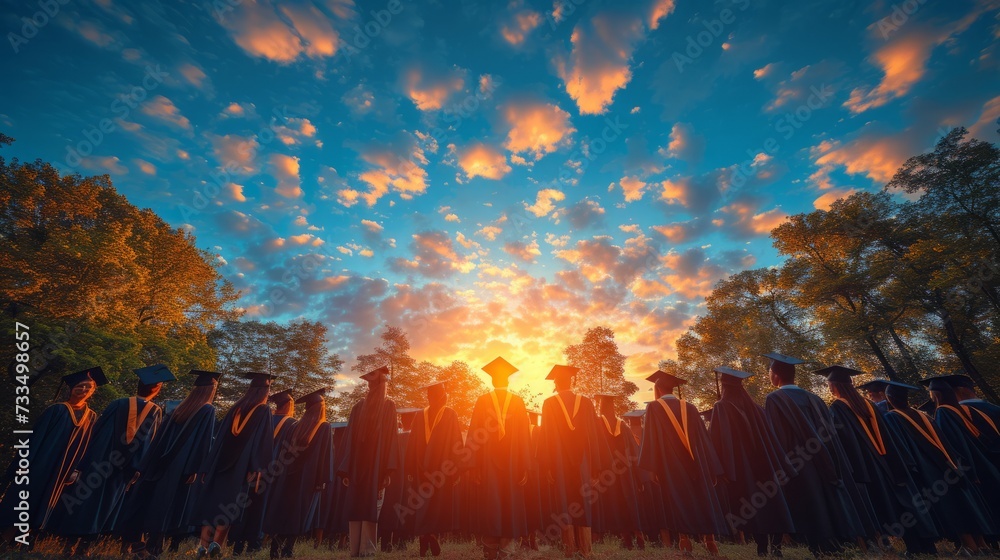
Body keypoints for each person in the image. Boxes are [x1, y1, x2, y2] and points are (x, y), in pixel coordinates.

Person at [49, 364, 175, 555]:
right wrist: (137, 470)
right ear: (157, 389)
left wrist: (82, 463)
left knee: (84, 501)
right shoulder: (155, 411)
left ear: (137, 386)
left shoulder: (118, 403)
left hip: (98, 462)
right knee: (105, 506)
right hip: (123, 469)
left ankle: (68, 545)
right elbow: (148, 444)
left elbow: (96, 432)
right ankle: (85, 548)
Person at [819, 366, 937, 555]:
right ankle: (925, 545)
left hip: (868, 466)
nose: (829, 388)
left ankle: (905, 547)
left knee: (887, 506)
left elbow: (843, 440)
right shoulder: (868, 404)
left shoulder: (838, 408)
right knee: (905, 502)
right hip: (890, 460)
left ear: (835, 386)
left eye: (829, 384)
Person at [760, 353, 870, 556]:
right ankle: (833, 543)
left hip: (799, 461)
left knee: (810, 502)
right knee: (826, 499)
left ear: (775, 375)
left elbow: (778, 435)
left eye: (769, 372)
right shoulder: (814, 397)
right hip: (826, 458)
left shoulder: (774, 398)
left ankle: (819, 547)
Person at [882, 380, 996, 554]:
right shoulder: (921, 415)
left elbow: (901, 448)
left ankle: (968, 546)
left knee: (951, 506)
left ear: (889, 398)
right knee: (965, 500)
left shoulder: (892, 417)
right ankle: (981, 544)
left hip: (928, 468)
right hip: (949, 462)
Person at [116, 370, 220, 558]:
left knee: (153, 502)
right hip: (181, 467)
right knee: (168, 506)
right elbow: (203, 442)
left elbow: (159, 439)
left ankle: (139, 545)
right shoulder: (207, 409)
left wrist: (148, 464)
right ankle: (153, 548)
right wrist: (196, 469)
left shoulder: (179, 408)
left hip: (161, 463)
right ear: (211, 390)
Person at [0, 366, 107, 545]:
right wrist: (23, 465)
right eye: (80, 386)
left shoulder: (91, 416)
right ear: (71, 388)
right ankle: (6, 538)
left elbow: (88, 446)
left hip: (63, 471)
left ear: (93, 391)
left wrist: (77, 469)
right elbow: (35, 440)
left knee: (44, 503)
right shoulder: (56, 410)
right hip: (40, 465)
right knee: (26, 498)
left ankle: (19, 540)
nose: (84, 390)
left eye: (89, 387)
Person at [637, 370, 728, 555]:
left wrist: (651, 468)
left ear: (657, 388)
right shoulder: (691, 408)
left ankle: (684, 540)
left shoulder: (654, 408)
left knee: (679, 499)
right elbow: (704, 439)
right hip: (698, 464)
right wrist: (710, 467)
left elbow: (651, 439)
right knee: (702, 498)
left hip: (672, 466)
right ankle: (709, 540)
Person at [706, 366, 793, 557]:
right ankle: (776, 549)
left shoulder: (722, 407)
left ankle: (761, 549)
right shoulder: (758, 409)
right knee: (774, 504)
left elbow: (718, 440)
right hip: (767, 466)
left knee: (754, 508)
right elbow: (772, 439)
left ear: (724, 386)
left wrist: (723, 470)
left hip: (744, 469)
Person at [191, 371, 276, 558]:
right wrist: (256, 468)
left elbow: (219, 438)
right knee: (229, 505)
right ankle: (216, 545)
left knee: (212, 504)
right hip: (241, 467)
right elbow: (262, 442)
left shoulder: (236, 408)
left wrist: (208, 466)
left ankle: (202, 546)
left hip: (219, 464)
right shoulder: (263, 410)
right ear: (264, 391)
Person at [467, 357, 531, 560]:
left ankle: (490, 549)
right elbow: (525, 437)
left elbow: (474, 434)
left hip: (487, 463)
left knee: (491, 503)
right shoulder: (518, 402)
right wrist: (525, 465)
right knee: (508, 503)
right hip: (513, 463)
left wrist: (474, 466)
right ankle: (507, 550)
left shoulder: (482, 400)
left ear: (492, 380)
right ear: (508, 380)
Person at [538, 365, 605, 559]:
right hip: (584, 461)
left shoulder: (549, 403)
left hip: (559, 461)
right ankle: (586, 549)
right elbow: (595, 435)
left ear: (555, 384)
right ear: (572, 381)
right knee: (583, 500)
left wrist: (547, 466)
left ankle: (569, 548)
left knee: (564, 500)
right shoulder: (585, 402)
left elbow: (546, 437)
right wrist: (595, 466)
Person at [337, 365, 399, 558]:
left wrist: (347, 469)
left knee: (363, 504)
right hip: (369, 467)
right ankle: (364, 550)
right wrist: (387, 470)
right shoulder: (366, 407)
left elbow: (389, 438)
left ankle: (359, 549)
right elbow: (350, 438)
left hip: (366, 467)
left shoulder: (385, 406)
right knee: (366, 505)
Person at [263, 388, 334, 558]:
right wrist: (323, 479)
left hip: (286, 477)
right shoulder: (324, 427)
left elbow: (282, 452)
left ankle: (275, 548)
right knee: (297, 515)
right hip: (307, 480)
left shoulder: (294, 425)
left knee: (283, 511)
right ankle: (288, 549)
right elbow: (325, 456)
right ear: (321, 408)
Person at [230, 389, 297, 556]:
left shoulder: (263, 418)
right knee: (263, 508)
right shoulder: (292, 424)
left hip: (254, 470)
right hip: (275, 473)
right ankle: (254, 544)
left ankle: (238, 544)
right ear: (289, 405)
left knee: (246, 506)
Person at [404, 381, 464, 557]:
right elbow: (457, 444)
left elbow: (411, 444)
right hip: (442, 470)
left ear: (429, 396)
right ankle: (432, 535)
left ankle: (425, 538)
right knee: (437, 506)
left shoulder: (419, 415)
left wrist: (409, 468)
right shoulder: (450, 414)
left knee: (423, 504)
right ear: (443, 395)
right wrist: (456, 469)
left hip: (419, 469)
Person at [593, 394, 643, 550]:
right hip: (625, 474)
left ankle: (619, 539)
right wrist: (637, 477)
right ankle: (637, 537)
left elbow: (593, 448)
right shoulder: (623, 426)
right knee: (626, 504)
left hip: (606, 473)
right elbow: (634, 453)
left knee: (611, 505)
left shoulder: (597, 424)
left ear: (600, 407)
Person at [379, 408, 419, 552]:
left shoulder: (392, 438)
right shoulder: (415, 439)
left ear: (401, 421)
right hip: (409, 481)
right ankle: (401, 542)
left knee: (389, 509)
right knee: (406, 508)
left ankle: (385, 543)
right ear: (414, 423)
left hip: (392, 481)